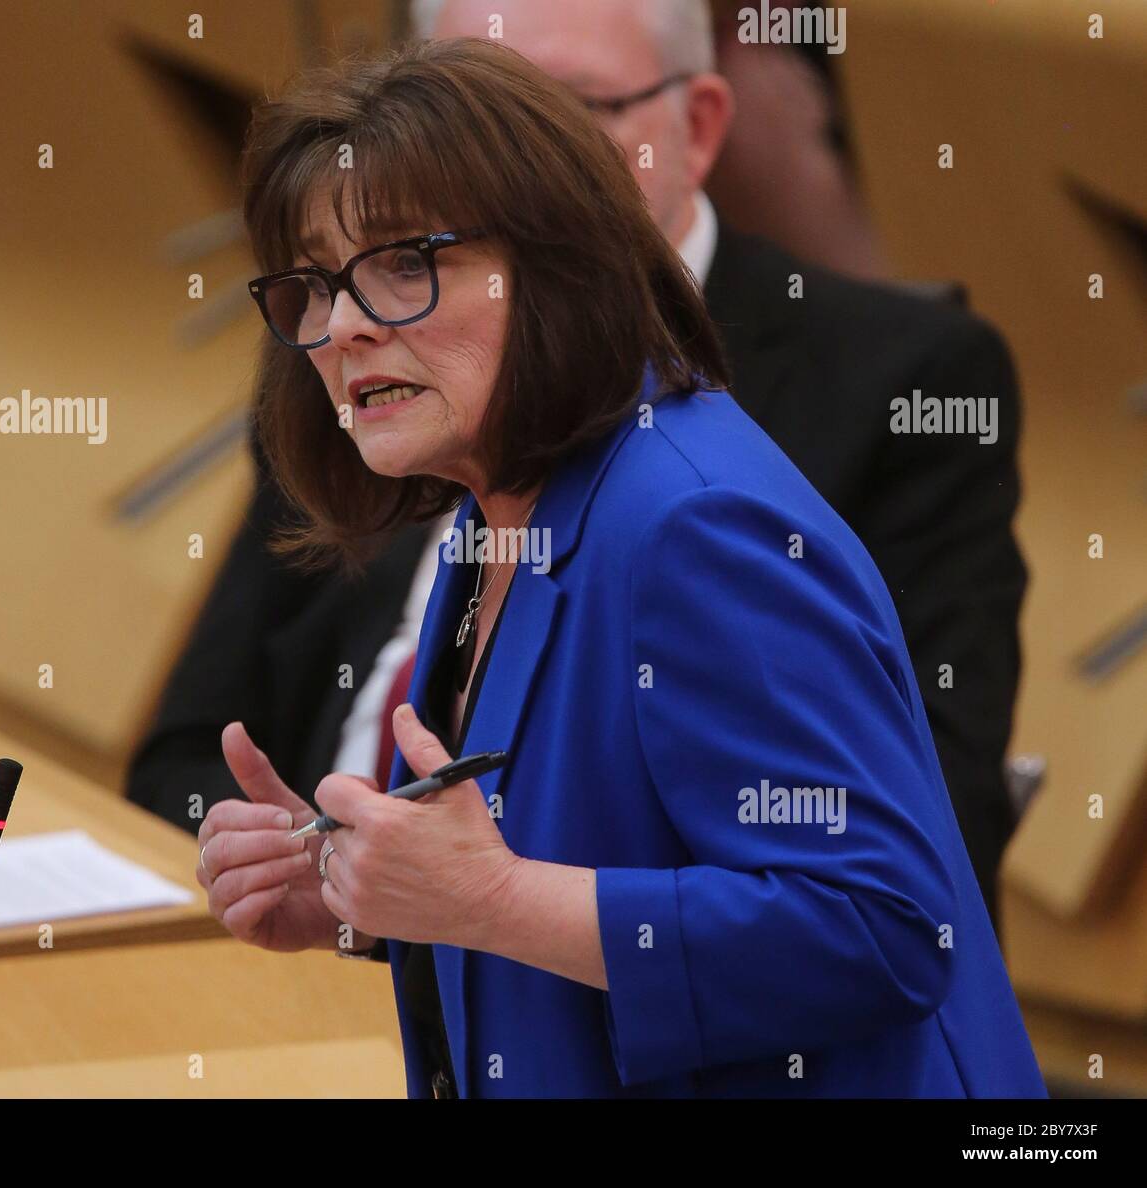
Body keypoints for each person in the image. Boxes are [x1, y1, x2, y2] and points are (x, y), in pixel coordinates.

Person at [194, 35, 1045, 1098]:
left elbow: (882, 927)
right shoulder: (497, 501)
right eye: (318, 284)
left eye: (405, 265)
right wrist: (356, 897)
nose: (345, 328)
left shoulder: (696, 527)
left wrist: (486, 898)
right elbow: (567, 883)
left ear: (556, 266)